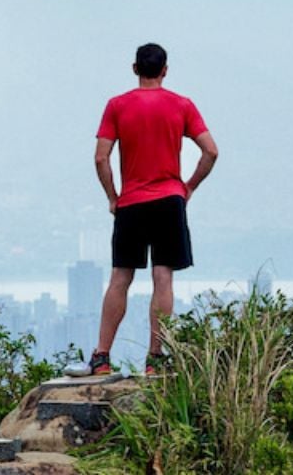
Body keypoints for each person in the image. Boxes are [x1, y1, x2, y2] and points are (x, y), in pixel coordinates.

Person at [86, 42, 220, 376]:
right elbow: (211, 152)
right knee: (163, 277)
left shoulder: (117, 106)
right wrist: (188, 187)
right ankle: (155, 359)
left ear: (135, 69)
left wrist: (112, 197)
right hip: (169, 201)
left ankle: (102, 356)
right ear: (165, 70)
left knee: (121, 277)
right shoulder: (182, 105)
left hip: (131, 202)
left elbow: (101, 157)